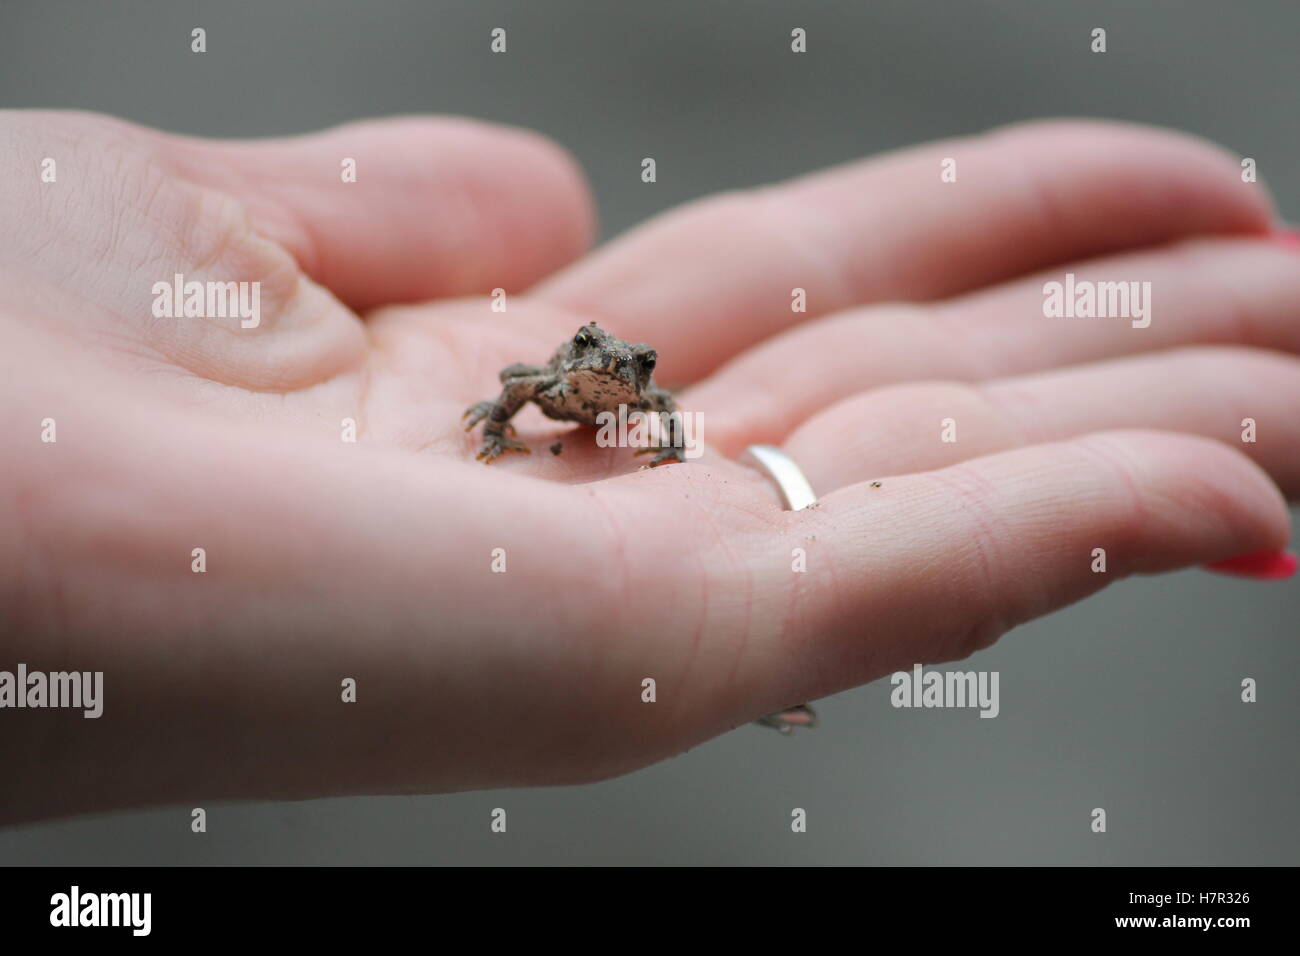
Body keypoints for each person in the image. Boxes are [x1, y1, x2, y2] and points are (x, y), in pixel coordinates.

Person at [1, 111, 1295, 824]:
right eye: (599, 372)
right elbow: (507, 394)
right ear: (580, 366)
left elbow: (658, 418)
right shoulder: (556, 378)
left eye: (621, 375)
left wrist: (653, 436)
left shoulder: (631, 397)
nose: (609, 381)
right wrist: (500, 433)